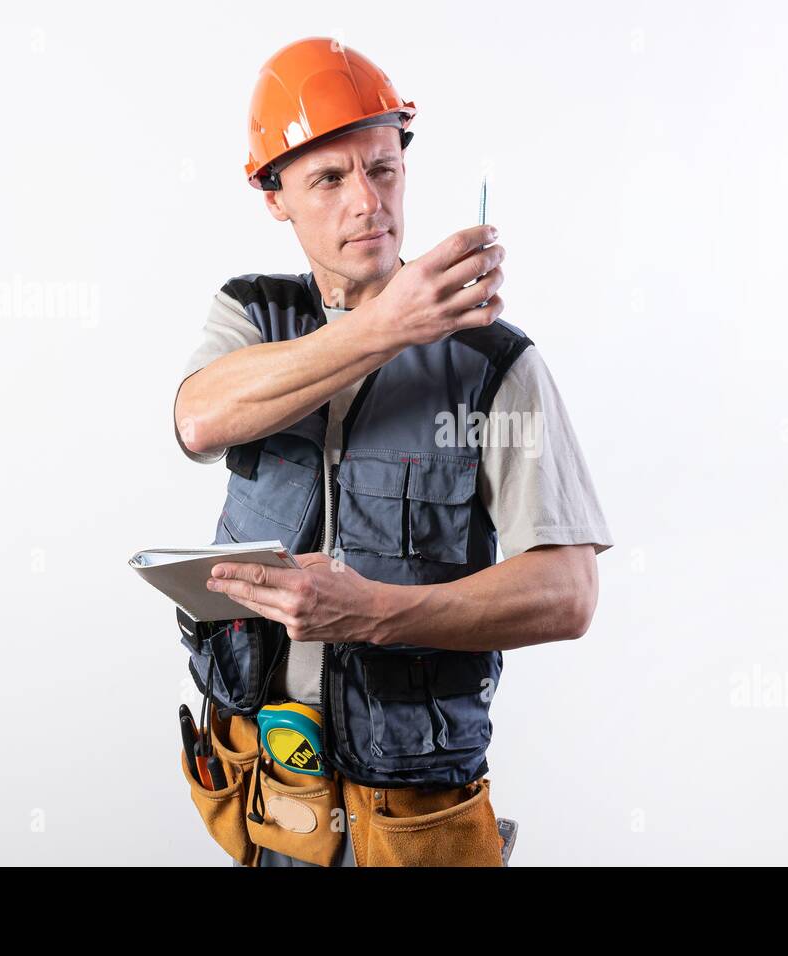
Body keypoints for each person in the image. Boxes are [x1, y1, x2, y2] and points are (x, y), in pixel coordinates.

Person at [173, 36, 613, 866]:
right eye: (329, 179)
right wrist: (387, 326)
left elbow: (568, 593)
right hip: (268, 798)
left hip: (413, 818)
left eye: (382, 168)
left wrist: (376, 612)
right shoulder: (251, 318)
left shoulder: (496, 366)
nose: (366, 202)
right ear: (274, 197)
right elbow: (199, 419)